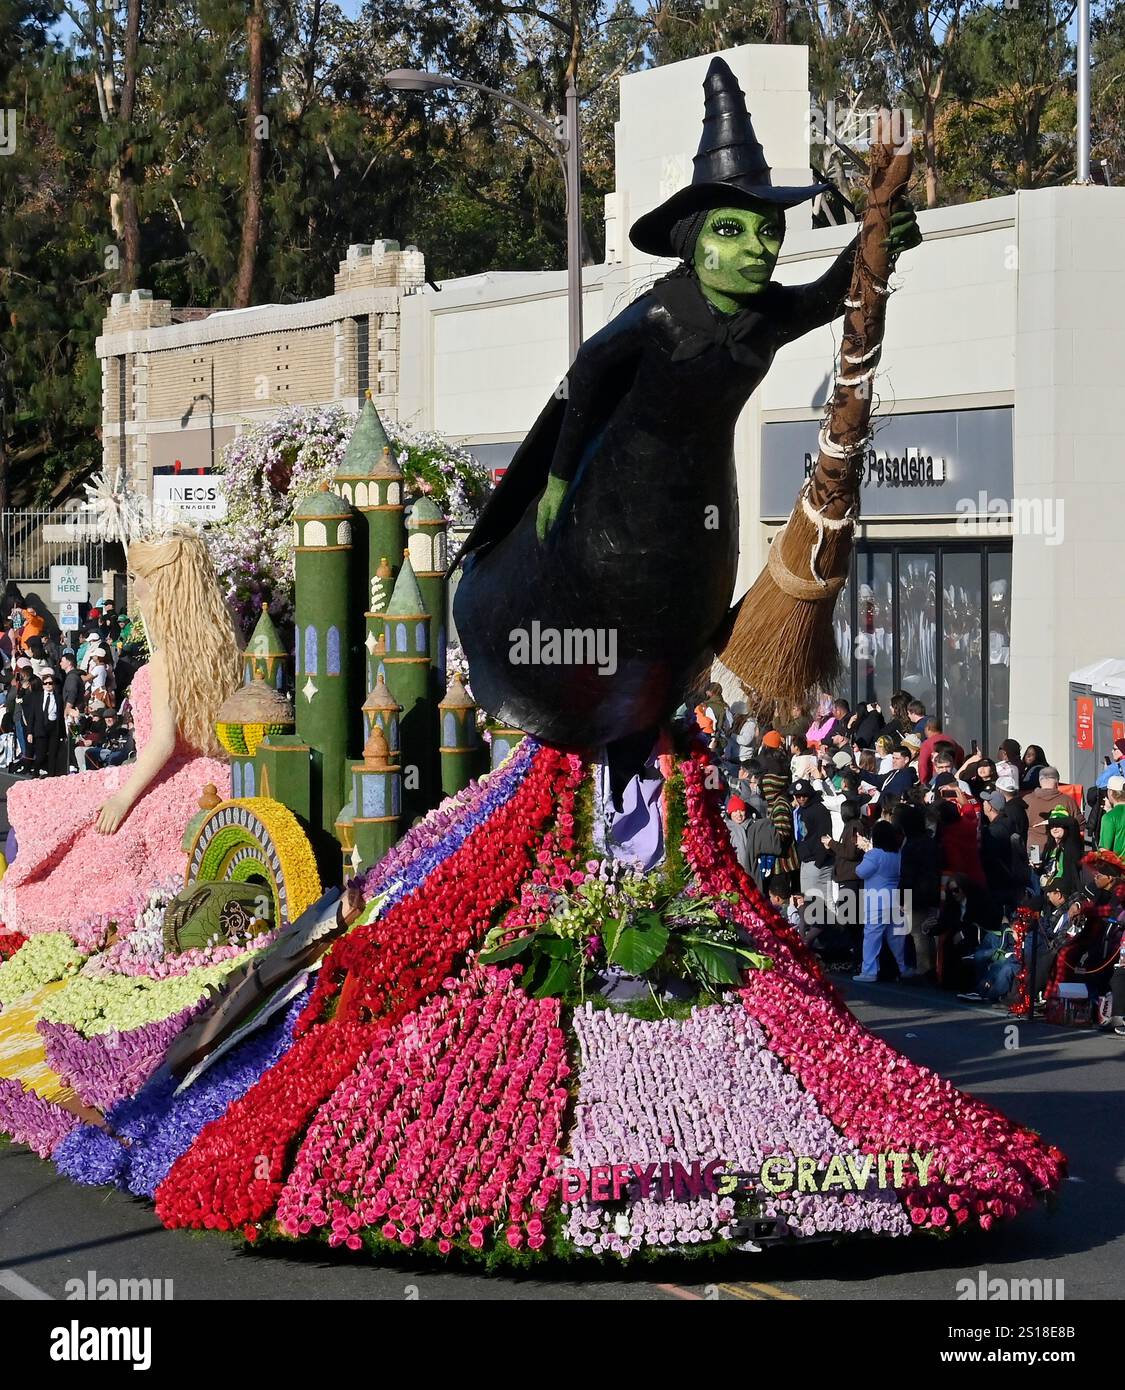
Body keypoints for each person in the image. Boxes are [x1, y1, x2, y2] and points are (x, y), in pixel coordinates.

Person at [0, 530, 243, 936]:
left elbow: (163, 742)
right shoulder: (225, 650)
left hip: (169, 781)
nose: (135, 589)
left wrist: (122, 798)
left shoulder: (168, 660)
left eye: (138, 578)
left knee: (73, 832)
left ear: (162, 587)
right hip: (212, 777)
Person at [854, 820, 907, 982]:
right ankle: (904, 967)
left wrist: (867, 851)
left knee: (872, 936)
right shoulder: (897, 854)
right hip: (895, 898)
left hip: (877, 900)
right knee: (896, 936)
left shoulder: (874, 854)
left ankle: (869, 971)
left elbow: (860, 872)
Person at [897, 802, 941, 977]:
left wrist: (901, 897)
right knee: (930, 929)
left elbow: (907, 875)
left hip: (915, 893)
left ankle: (924, 968)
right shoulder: (930, 841)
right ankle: (935, 966)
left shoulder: (911, 845)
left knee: (917, 932)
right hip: (933, 889)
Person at [1025, 766, 1084, 859]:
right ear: (1057, 782)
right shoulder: (1068, 801)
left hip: (1033, 848)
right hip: (1059, 852)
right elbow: (1080, 825)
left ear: (1040, 781)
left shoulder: (1027, 800)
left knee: (1034, 871)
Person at [792, 778, 834, 907]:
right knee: (811, 903)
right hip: (807, 860)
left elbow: (824, 835)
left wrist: (819, 862)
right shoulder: (802, 810)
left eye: (804, 795)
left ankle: (837, 927)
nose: (801, 799)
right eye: (798, 796)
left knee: (821, 902)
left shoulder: (818, 809)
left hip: (817, 861)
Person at [1038, 807, 1084, 897]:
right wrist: (1038, 867)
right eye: (1052, 827)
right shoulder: (1049, 846)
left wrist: (1049, 821)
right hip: (1048, 889)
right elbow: (1045, 870)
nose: (1054, 829)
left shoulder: (1071, 843)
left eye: (1057, 825)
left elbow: (1073, 822)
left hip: (1066, 891)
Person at [1098, 777, 1125, 857]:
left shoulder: (1109, 817)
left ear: (1111, 792)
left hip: (1119, 867)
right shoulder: (1111, 815)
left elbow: (1104, 850)